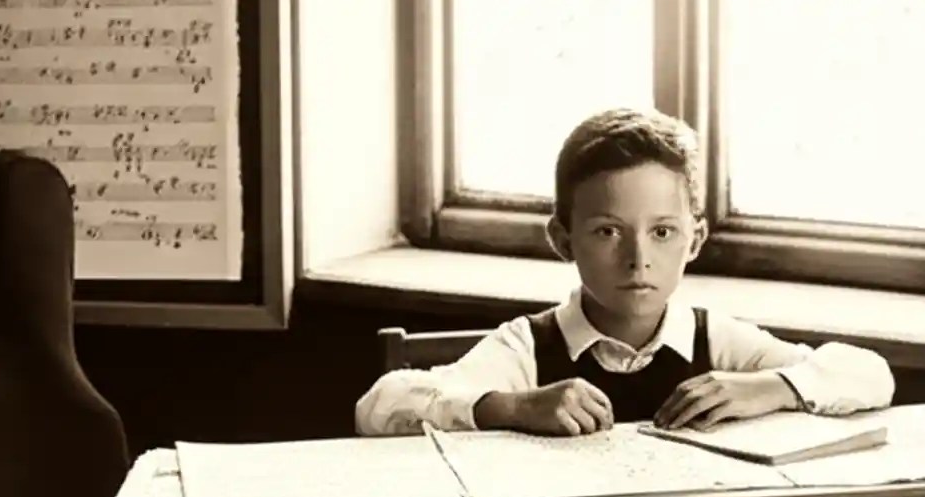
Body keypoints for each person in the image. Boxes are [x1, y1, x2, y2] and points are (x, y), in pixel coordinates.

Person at [356, 108, 894, 437]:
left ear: (695, 241)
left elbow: (872, 375)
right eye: (608, 232)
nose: (639, 259)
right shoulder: (526, 347)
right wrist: (514, 406)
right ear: (562, 240)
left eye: (662, 232)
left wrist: (770, 388)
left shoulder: (717, 340)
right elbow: (380, 406)